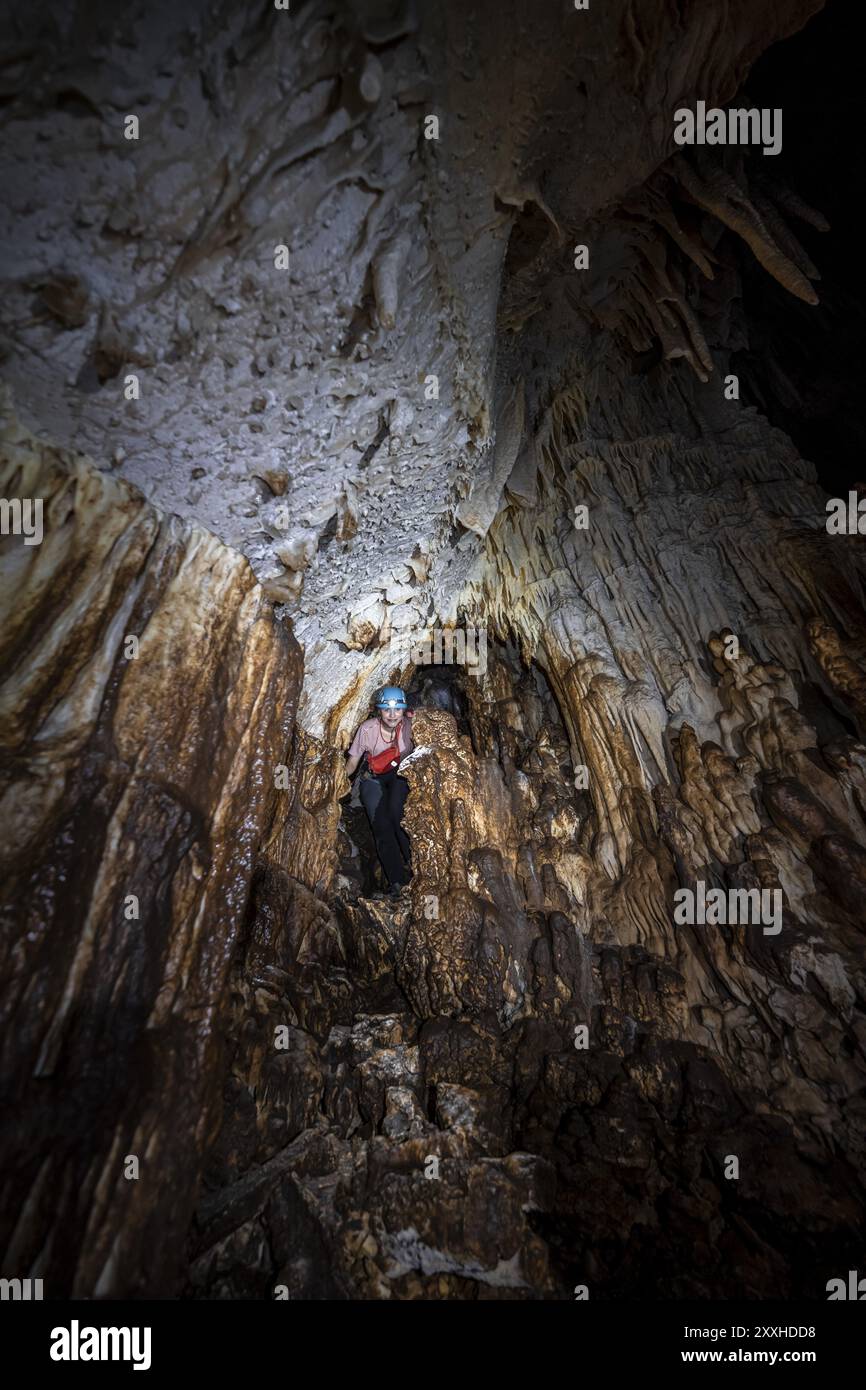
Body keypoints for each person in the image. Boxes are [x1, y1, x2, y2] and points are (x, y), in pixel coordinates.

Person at [345, 686, 414, 899]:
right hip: (372, 778)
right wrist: (337, 786)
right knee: (381, 826)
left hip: (400, 774)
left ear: (404, 710)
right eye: (387, 710)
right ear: (379, 711)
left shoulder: (411, 725)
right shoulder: (367, 729)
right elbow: (353, 763)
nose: (392, 715)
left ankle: (418, 864)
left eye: (397, 710)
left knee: (398, 814)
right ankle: (397, 882)